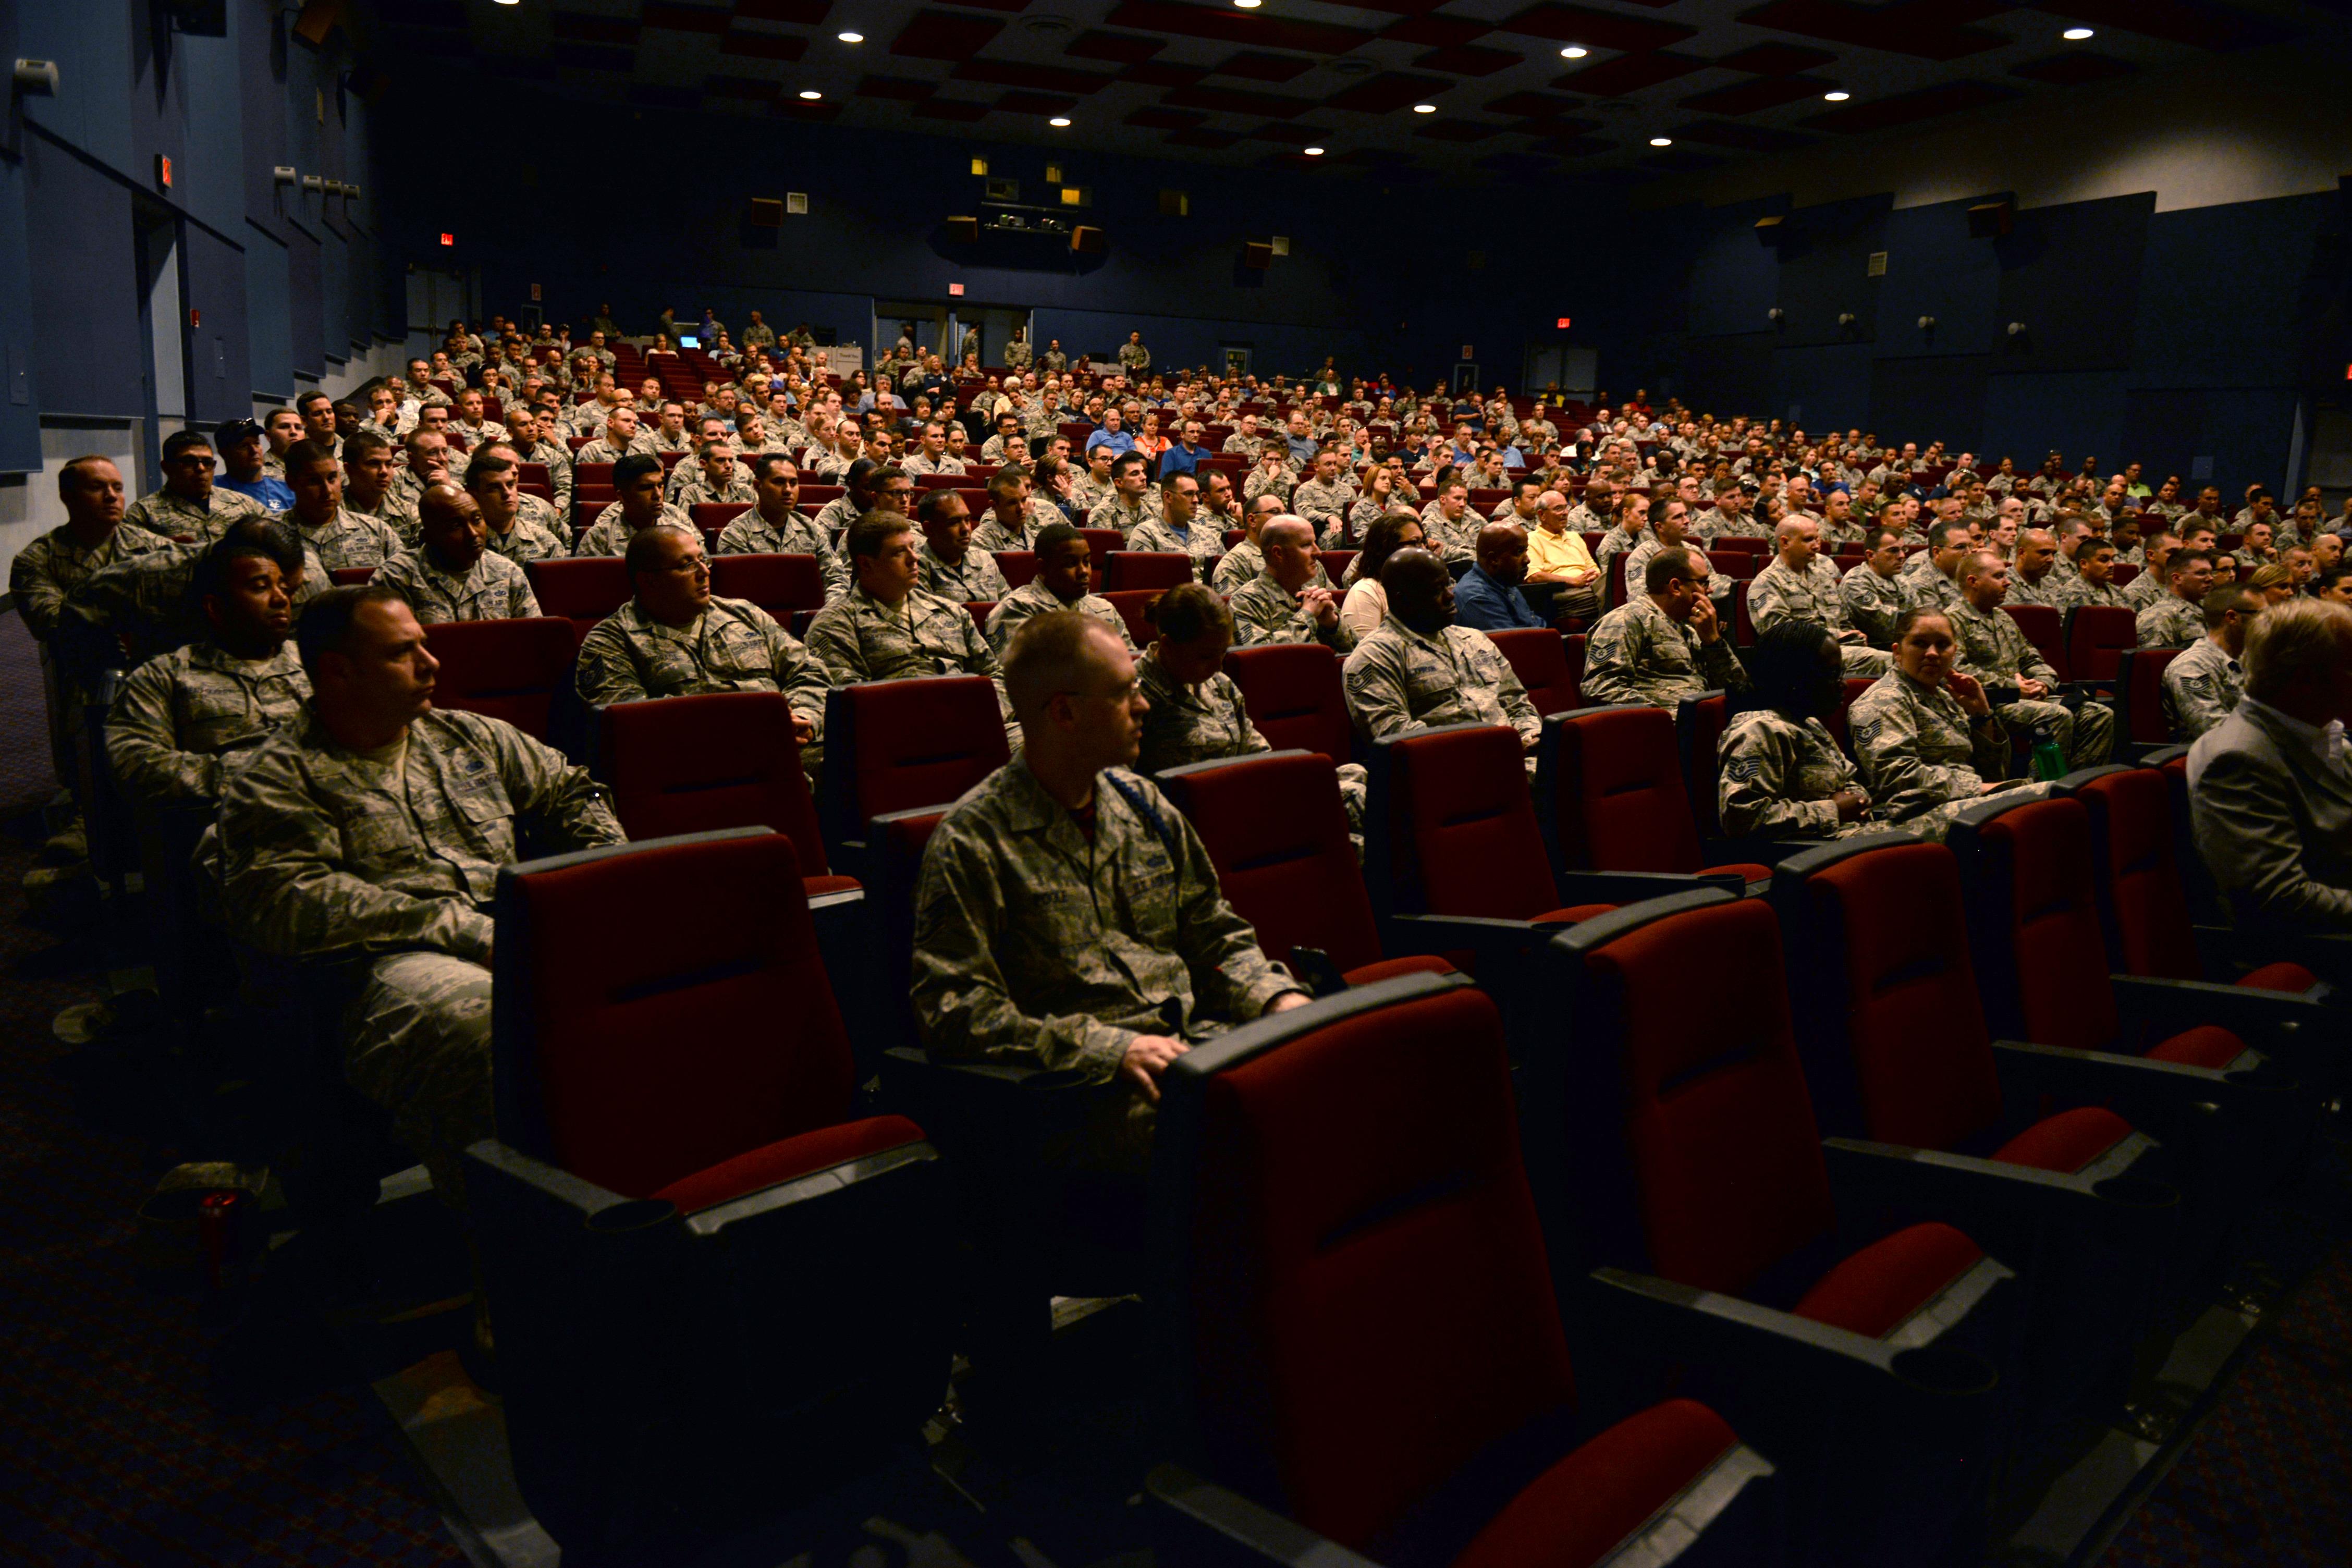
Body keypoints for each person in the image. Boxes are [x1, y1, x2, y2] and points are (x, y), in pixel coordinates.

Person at [215, 586, 626, 1204]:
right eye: (403, 653)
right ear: (340, 670)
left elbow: (573, 791)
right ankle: (519, 1252)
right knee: (492, 1030)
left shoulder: (467, 737)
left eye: (425, 647)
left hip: (511, 931)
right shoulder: (278, 777)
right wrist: (458, 928)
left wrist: (610, 878)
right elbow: (289, 898)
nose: (432, 665)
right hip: (377, 970)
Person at [909, 609, 1307, 1181]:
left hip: (1197, 1049)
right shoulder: (975, 840)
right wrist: (1105, 1049)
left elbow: (1213, 932)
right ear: (1064, 711)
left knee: (1332, 1077)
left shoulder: (1142, 802)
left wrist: (1273, 999)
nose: (1144, 705)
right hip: (1082, 1093)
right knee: (1241, 1139)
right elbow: (954, 1009)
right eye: (1123, 694)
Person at [106, 526, 310, 811]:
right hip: (236, 827)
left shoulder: (315, 661)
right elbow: (135, 763)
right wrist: (250, 773)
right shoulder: (166, 675)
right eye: (261, 588)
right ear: (215, 608)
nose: (281, 600)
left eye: (285, 589)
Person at [2186, 598, 2352, 940]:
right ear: (2307, 680)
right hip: (2316, 952)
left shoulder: (2321, 731)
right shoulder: (2237, 759)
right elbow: (2280, 897)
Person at [574, 523, 830, 734]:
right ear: (648, 581)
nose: (704, 571)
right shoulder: (612, 641)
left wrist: (803, 719)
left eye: (703, 560)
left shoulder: (743, 613)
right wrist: (752, 730)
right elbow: (634, 725)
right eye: (687, 565)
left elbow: (809, 672)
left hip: (792, 744)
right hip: (700, 771)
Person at [803, 512, 1016, 738]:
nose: (914, 558)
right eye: (898, 552)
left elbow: (993, 675)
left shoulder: (950, 611)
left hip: (974, 727)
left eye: (913, 548)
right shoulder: (836, 623)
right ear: (866, 564)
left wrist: (988, 716)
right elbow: (852, 703)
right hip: (898, 742)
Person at [1341, 548, 1541, 763]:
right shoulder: (1376, 656)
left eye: (1448, 585)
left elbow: (1517, 703)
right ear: (1402, 598)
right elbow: (1397, 737)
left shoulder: (1474, 640)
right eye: (1436, 590)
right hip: (1446, 773)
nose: (1450, 596)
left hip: (1517, 759)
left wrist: (1530, 736)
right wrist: (1497, 750)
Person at [1848, 606, 2022, 838]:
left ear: (1954, 652)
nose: (1932, 653)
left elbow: (1993, 774)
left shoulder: (1945, 697)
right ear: (1897, 652)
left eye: (1942, 645)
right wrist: (1979, 789)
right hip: (1913, 817)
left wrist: (1982, 715)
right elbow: (1895, 777)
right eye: (1920, 643)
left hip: (1962, 804)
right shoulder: (1885, 699)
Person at [1947, 549, 2114, 767]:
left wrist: (2042, 684)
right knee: (2056, 716)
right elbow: (1956, 672)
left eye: (2006, 576)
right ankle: (2043, 789)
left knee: (2099, 715)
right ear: (1973, 581)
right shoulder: (1952, 620)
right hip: (1988, 705)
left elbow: (2032, 660)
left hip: (2024, 698)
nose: (2008, 583)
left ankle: (2078, 783)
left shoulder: (2003, 617)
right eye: (1999, 577)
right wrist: (2013, 688)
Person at [1718, 620, 1872, 840]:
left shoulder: (1810, 724)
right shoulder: (1760, 731)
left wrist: (1856, 801)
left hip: (1849, 838)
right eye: (1831, 675)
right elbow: (1740, 818)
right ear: (1795, 679)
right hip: (1808, 854)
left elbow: (1851, 783)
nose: (1843, 685)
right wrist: (1832, 810)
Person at [11, 456, 173, 642]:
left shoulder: (151, 544)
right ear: (68, 497)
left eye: (118, 488)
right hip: (84, 662)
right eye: (97, 488)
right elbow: (53, 625)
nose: (112, 496)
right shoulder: (38, 559)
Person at [1582, 548, 1747, 708]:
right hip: (1664, 728)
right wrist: (1662, 718)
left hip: (1706, 723)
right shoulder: (1626, 621)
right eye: (1703, 582)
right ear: (1675, 587)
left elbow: (1739, 690)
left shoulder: (1693, 628)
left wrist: (1713, 642)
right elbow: (1601, 688)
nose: (1710, 590)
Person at [372, 483, 541, 624]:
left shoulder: (508, 572)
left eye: (477, 520)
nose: (473, 533)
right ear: (428, 537)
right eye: (455, 526)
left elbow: (532, 640)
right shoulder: (397, 577)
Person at [1746, 515, 1891, 675]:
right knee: (1888, 662)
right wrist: (1837, 635)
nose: (1817, 547)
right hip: (1800, 659)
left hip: (1840, 651)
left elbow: (1843, 621)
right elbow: (1779, 637)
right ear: (1785, 543)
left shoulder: (1824, 578)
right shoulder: (1766, 583)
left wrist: (1854, 635)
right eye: (1808, 540)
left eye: (1817, 539)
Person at [984, 524, 1134, 653]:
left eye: (1087, 562)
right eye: (1071, 564)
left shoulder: (1104, 609)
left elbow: (1130, 663)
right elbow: (1021, 676)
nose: (1084, 571)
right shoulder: (1016, 610)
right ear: (1043, 568)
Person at [1230, 516, 1353, 650]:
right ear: (1279, 554)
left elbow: (1358, 653)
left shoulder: (1313, 594)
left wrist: (1333, 624)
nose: (1318, 552)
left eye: (1315, 543)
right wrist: (1307, 615)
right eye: (1306, 545)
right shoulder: (1246, 602)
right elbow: (1259, 661)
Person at [281, 440, 403, 573]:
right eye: (314, 481)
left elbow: (404, 580)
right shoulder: (273, 533)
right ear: (291, 482)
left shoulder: (376, 530)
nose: (327, 490)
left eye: (332, 478)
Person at [125, 430, 269, 541]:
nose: (201, 469)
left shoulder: (243, 504)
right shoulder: (144, 514)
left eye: (207, 463)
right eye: (189, 462)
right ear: (167, 468)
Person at [2164, 583, 2260, 742]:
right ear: (2232, 618)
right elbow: (2214, 733)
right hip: (2217, 758)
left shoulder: (2252, 658)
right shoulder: (2192, 665)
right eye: (2262, 614)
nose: (2269, 621)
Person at [575, 452, 694, 556]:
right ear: (622, 496)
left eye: (660, 485)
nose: (658, 495)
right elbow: (586, 582)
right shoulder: (600, 538)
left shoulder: (682, 532)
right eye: (646, 488)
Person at [463, 449, 572, 564]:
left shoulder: (545, 541)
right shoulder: (464, 542)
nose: (507, 493)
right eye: (495, 488)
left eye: (511, 485)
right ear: (473, 495)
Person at [1337, 513, 1428, 643]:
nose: (1424, 549)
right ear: (1389, 546)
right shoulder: (1365, 592)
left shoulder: (1421, 585)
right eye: (1415, 542)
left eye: (1423, 542)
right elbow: (1366, 655)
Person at [914, 486, 1010, 603]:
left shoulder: (984, 558)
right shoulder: (916, 568)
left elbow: (1008, 607)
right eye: (954, 523)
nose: (966, 529)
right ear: (929, 529)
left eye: (967, 520)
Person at [1453, 521, 1548, 632]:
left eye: (1526, 551)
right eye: (1519, 552)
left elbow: (1536, 624)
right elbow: (1514, 644)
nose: (1527, 560)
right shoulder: (1477, 597)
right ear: (1494, 559)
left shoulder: (1504, 581)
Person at [1125, 470, 1219, 581]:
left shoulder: (1208, 534)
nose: (1195, 501)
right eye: (1188, 494)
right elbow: (1145, 582)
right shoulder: (1146, 534)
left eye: (1197, 495)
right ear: (1168, 497)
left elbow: (1225, 572)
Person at [1523, 488, 1602, 619]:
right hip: (1561, 593)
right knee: (1613, 596)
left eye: (1566, 508)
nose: (1565, 513)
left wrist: (1593, 576)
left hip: (1589, 589)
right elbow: (1534, 576)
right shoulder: (1532, 539)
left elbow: (1594, 569)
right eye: (1559, 509)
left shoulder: (1575, 536)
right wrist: (1573, 581)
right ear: (1542, 515)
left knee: (1610, 581)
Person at [214, 419, 295, 513]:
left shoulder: (287, 491)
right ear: (224, 453)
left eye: (257, 443)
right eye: (244, 446)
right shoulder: (213, 488)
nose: (254, 451)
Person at [2137, 549, 2214, 647]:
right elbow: (2157, 661)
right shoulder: (2159, 616)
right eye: (2202, 573)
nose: (2210, 578)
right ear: (2177, 579)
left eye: (2211, 573)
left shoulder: (2210, 610)